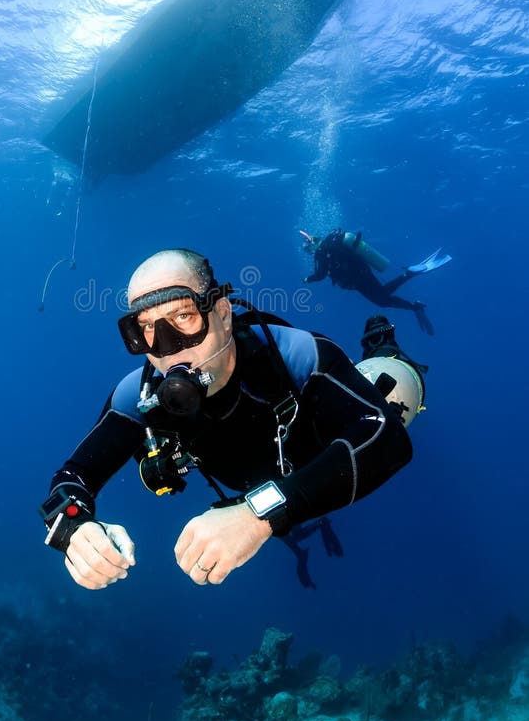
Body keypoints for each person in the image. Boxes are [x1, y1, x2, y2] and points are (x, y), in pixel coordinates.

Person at [40, 249, 418, 591]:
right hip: (278, 491)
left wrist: (258, 514)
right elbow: (71, 479)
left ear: (222, 313)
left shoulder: (298, 356)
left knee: (398, 388)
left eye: (183, 316)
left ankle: (383, 345)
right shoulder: (138, 396)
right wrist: (75, 530)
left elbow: (388, 439)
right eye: (148, 327)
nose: (168, 348)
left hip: (321, 446)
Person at [301, 229, 451, 335]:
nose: (310, 253)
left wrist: (307, 279)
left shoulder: (321, 253)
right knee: (382, 297)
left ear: (312, 243)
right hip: (362, 272)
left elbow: (320, 275)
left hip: (357, 280)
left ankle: (409, 279)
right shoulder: (334, 242)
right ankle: (414, 304)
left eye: (308, 250)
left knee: (382, 299)